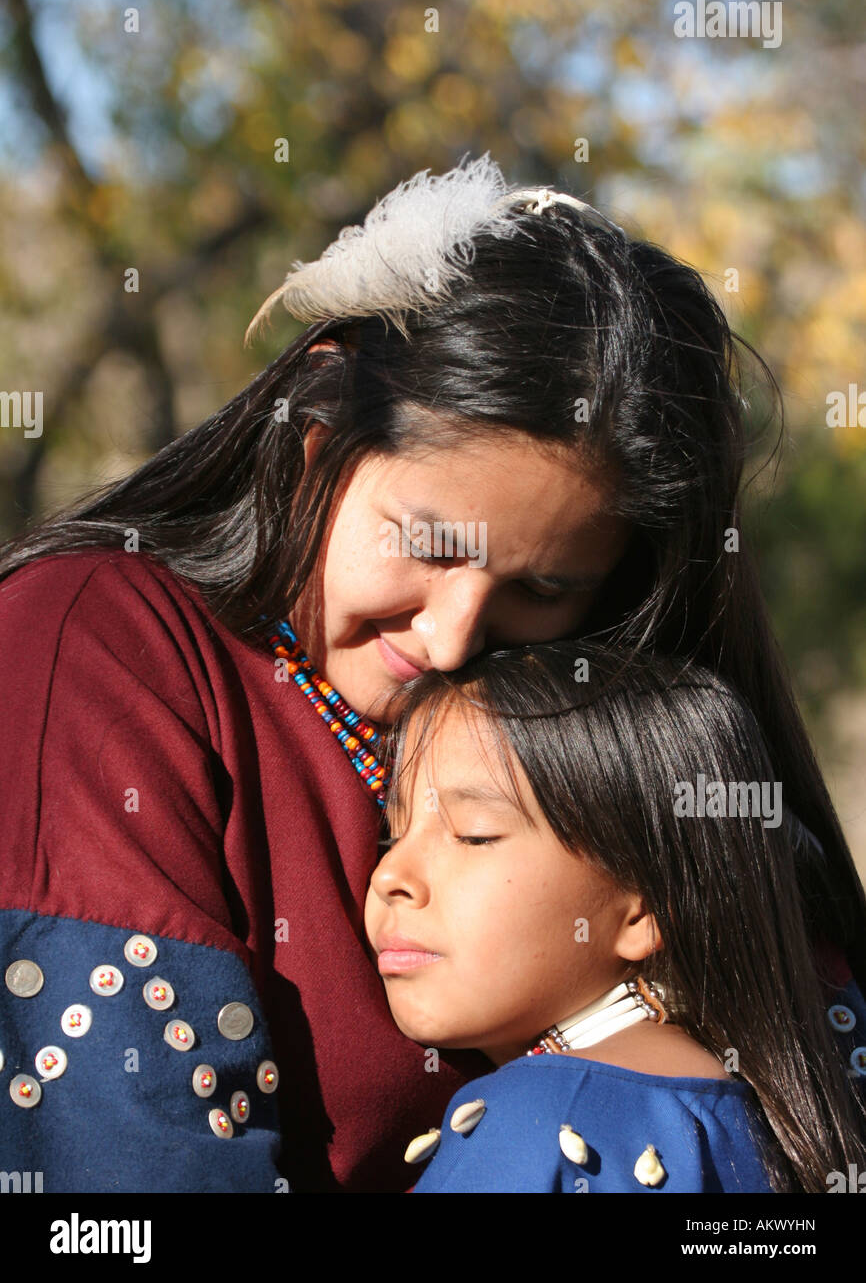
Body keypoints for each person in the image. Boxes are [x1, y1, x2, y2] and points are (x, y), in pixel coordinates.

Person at [0, 154, 863, 1191]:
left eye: (542, 589)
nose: (456, 637)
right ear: (314, 441)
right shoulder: (92, 646)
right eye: (428, 541)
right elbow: (123, 1185)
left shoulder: (592, 724)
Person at [365, 640, 866, 1193]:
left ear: (646, 908)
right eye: (392, 832)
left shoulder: (537, 1125)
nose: (390, 875)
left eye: (474, 834)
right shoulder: (780, 1101)